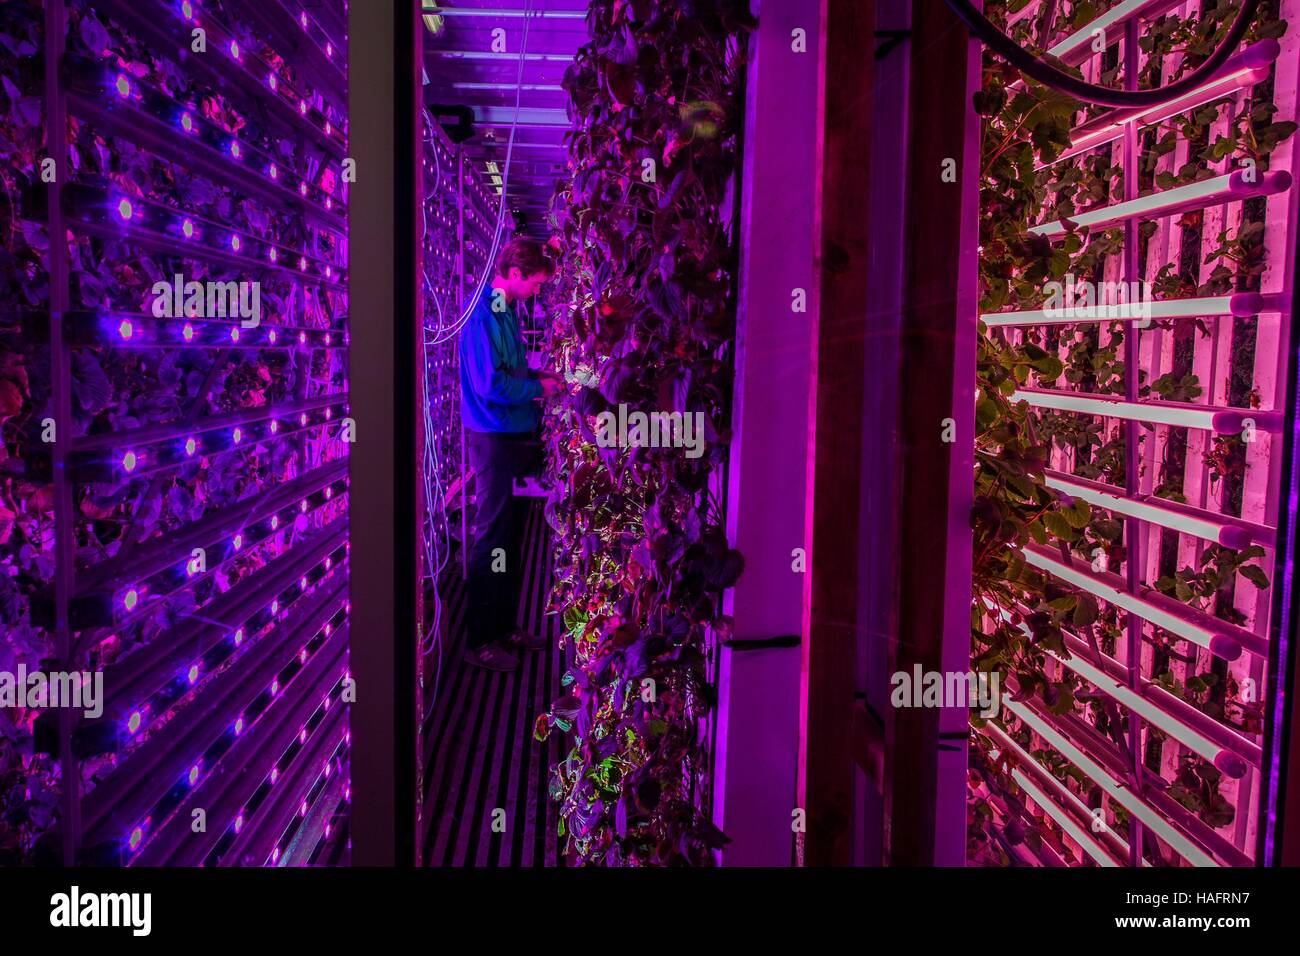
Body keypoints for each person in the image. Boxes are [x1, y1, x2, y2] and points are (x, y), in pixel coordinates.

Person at [459, 237, 563, 671]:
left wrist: (540, 374)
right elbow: (490, 385)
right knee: (492, 537)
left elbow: (509, 369)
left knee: (510, 537)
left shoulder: (503, 309)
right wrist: (540, 389)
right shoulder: (482, 314)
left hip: (510, 433)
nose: (538, 291)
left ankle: (505, 627)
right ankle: (481, 639)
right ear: (516, 275)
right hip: (493, 439)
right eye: (536, 284)